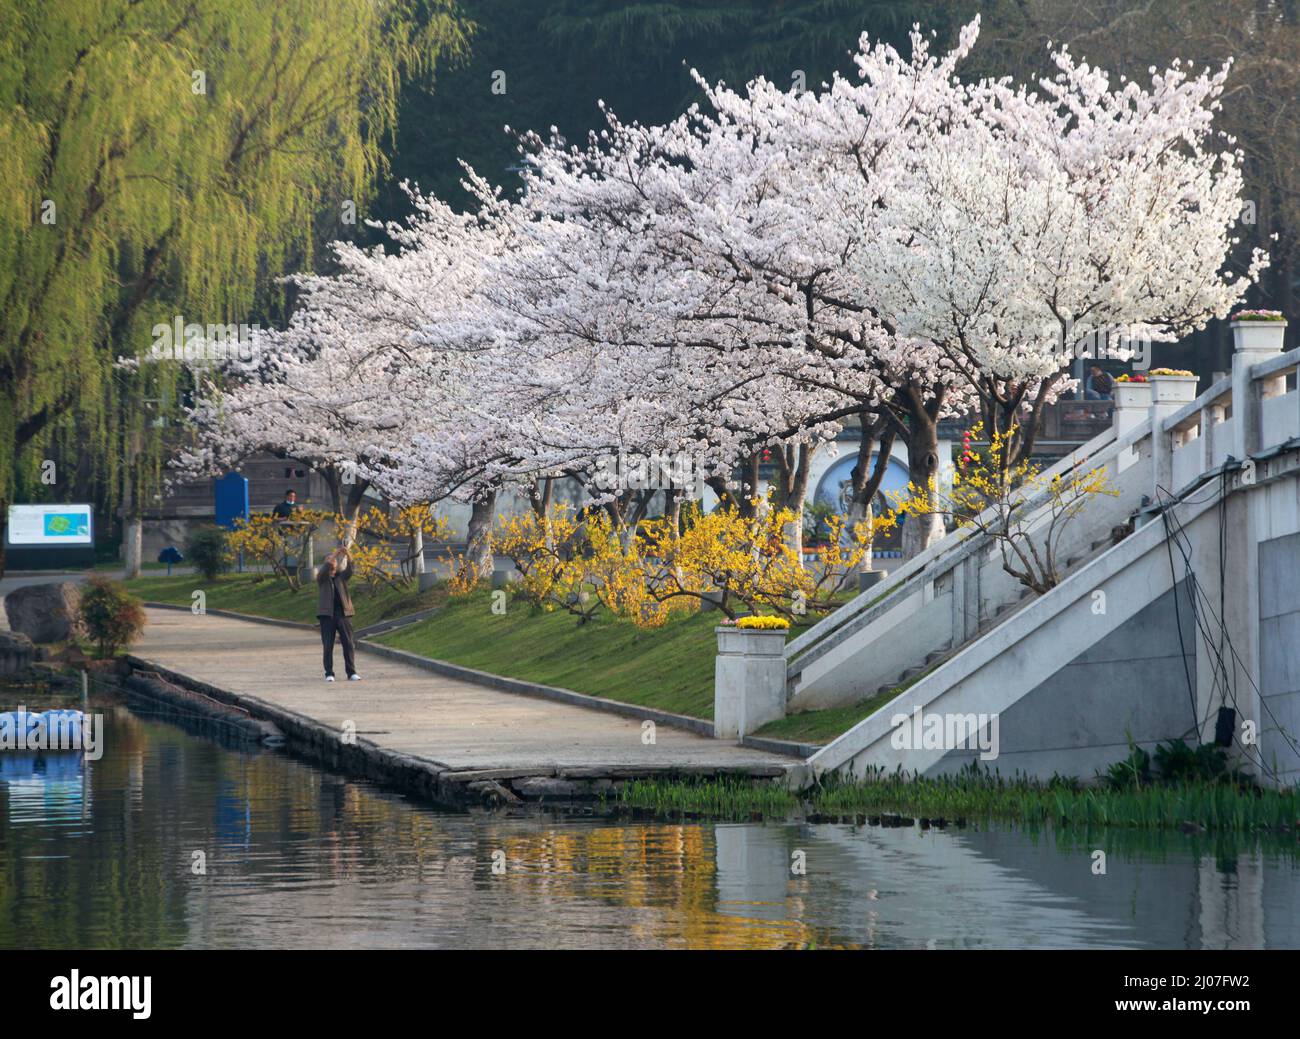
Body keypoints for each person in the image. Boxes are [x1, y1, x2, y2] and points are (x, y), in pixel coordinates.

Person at [316, 547, 359, 682]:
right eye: (329, 560)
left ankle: (351, 672)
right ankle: (329, 673)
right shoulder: (322, 577)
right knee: (328, 645)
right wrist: (335, 554)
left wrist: (347, 553)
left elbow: (351, 569)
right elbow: (325, 568)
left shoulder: (341, 577)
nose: (332, 561)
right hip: (327, 615)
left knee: (348, 643)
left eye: (333, 560)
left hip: (343, 614)